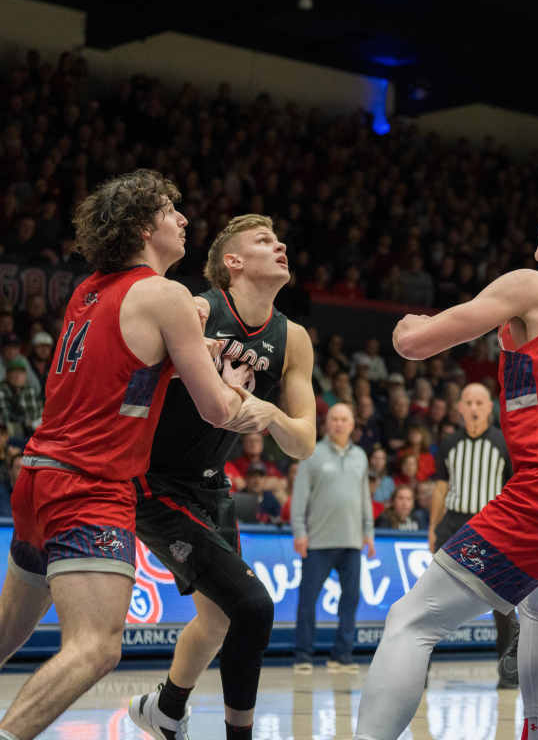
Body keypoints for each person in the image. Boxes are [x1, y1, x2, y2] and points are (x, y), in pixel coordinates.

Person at [354, 182, 538, 740]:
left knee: (410, 621)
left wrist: (405, 331)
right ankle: (536, 732)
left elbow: (418, 346)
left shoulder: (532, 285)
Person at [0, 170, 248, 740]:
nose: (184, 219)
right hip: (90, 487)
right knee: (97, 648)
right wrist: (233, 383)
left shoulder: (89, 290)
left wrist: (187, 348)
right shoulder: (167, 295)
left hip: (38, 478)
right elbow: (216, 409)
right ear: (142, 226)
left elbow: (125, 368)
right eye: (170, 211)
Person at [128, 214, 317, 740]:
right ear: (232, 262)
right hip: (155, 483)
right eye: (263, 241)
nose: (279, 244)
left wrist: (274, 415)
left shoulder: (293, 339)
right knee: (254, 607)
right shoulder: (198, 308)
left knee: (216, 620)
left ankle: (164, 711)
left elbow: (303, 441)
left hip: (213, 488)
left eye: (280, 238)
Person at [428, 382, 519, 688]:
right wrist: (432, 528)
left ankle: (508, 675)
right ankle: (418, 675)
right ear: (460, 408)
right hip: (453, 526)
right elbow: (441, 488)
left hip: (492, 526)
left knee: (503, 607)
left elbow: (512, 490)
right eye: (468, 402)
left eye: (480, 402)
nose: (474, 408)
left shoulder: (503, 444)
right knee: (432, 601)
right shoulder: (449, 443)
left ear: (489, 407)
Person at [290, 403, 374, 673]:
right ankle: (303, 655)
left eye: (344, 419)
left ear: (352, 425)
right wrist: (300, 532)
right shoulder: (311, 453)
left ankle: (342, 656)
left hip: (351, 541)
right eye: (334, 419)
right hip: (318, 541)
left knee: (350, 600)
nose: (339, 423)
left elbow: (364, 498)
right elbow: (299, 497)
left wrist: (368, 533)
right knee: (307, 599)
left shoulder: (360, 456)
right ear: (327, 424)